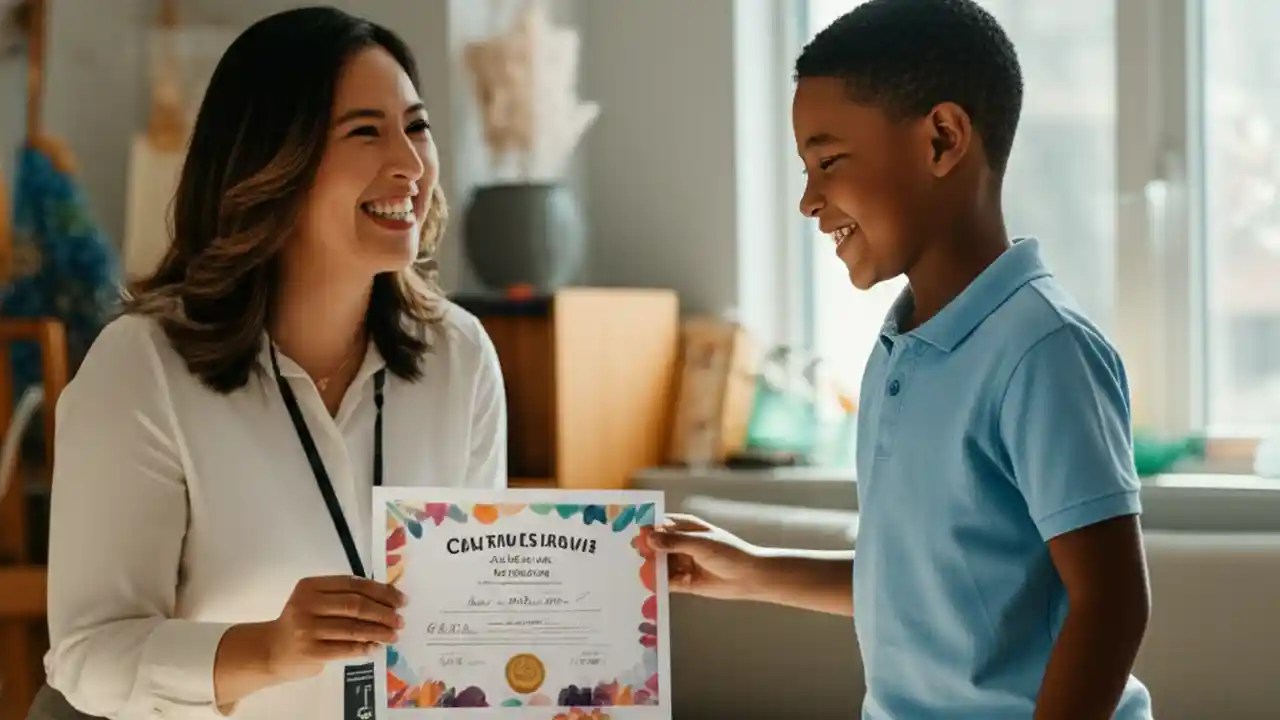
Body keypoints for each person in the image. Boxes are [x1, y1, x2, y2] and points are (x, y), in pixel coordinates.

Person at [653, 1, 1154, 718]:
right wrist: (753, 571)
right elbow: (916, 584)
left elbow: (1112, 604)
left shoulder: (1045, 349)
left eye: (828, 162)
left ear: (943, 139)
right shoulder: (901, 349)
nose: (808, 200)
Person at [35, 7, 506, 719]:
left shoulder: (460, 355)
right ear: (271, 163)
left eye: (416, 126)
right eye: (365, 131)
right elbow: (88, 654)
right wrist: (267, 650)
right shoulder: (142, 368)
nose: (410, 165)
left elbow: (479, 621)